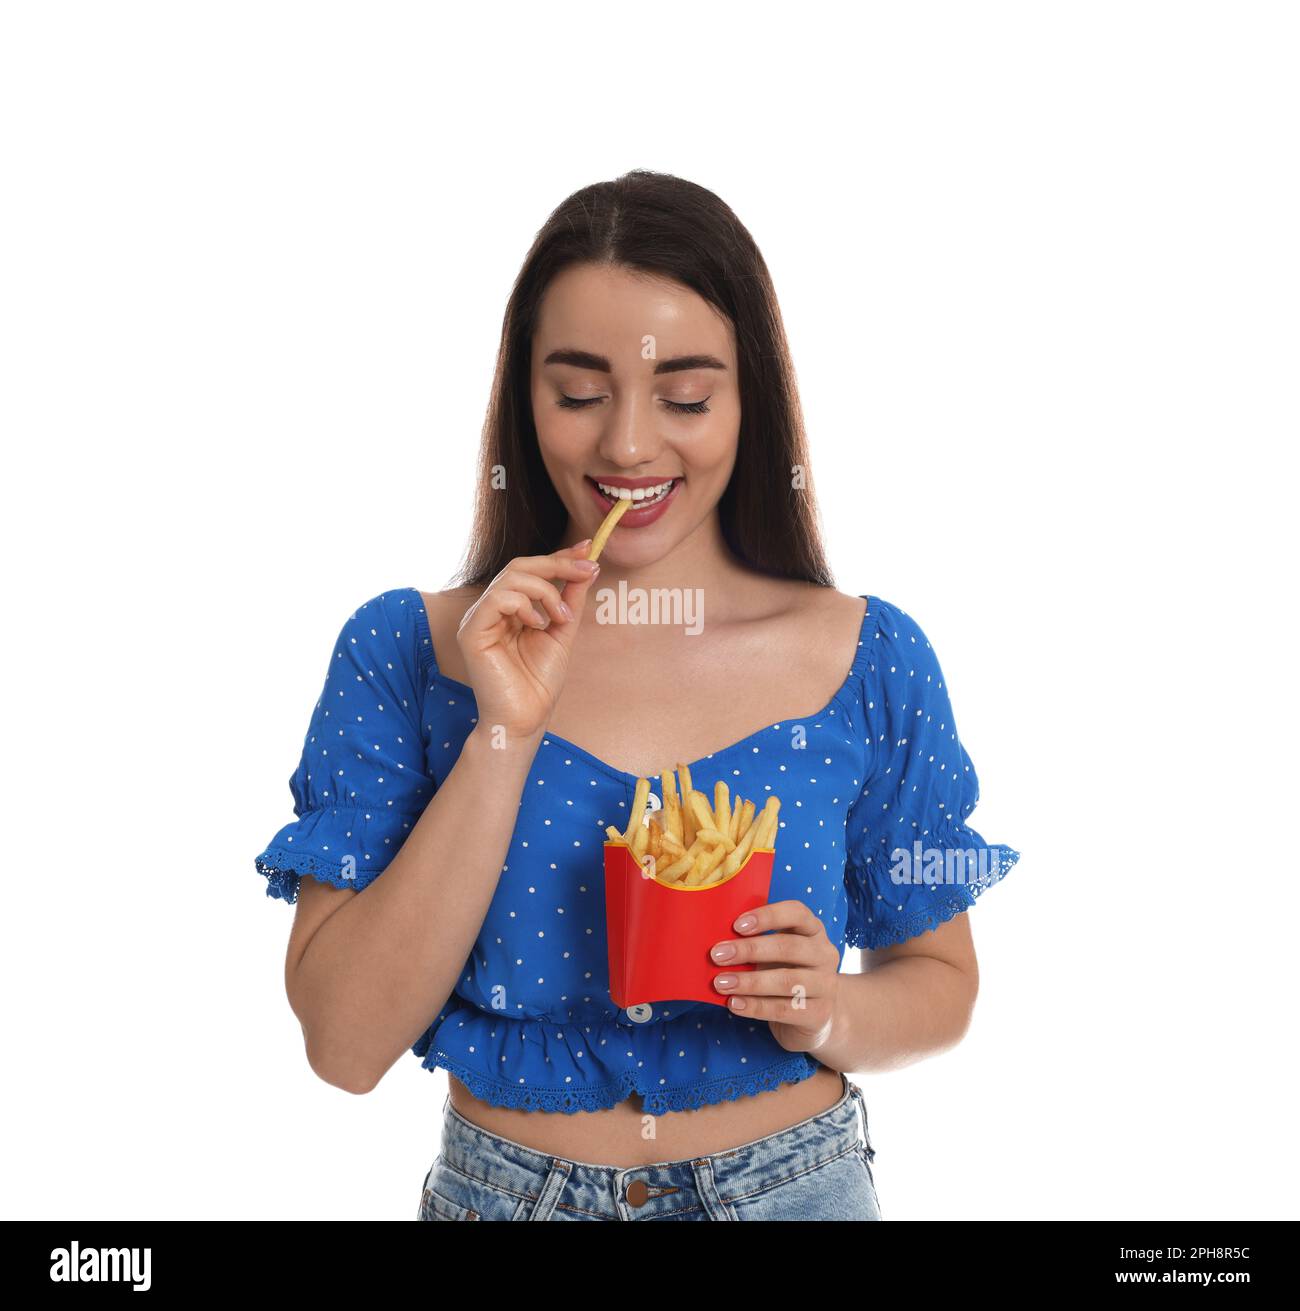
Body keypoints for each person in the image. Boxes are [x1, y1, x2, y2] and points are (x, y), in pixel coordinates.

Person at [253, 170, 1020, 1221]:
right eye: (577, 394)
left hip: (793, 1190)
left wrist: (829, 1005)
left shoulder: (867, 656)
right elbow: (343, 1046)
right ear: (524, 399)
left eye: (686, 397)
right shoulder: (408, 651)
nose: (625, 446)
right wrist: (501, 733)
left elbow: (940, 982)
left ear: (749, 399)